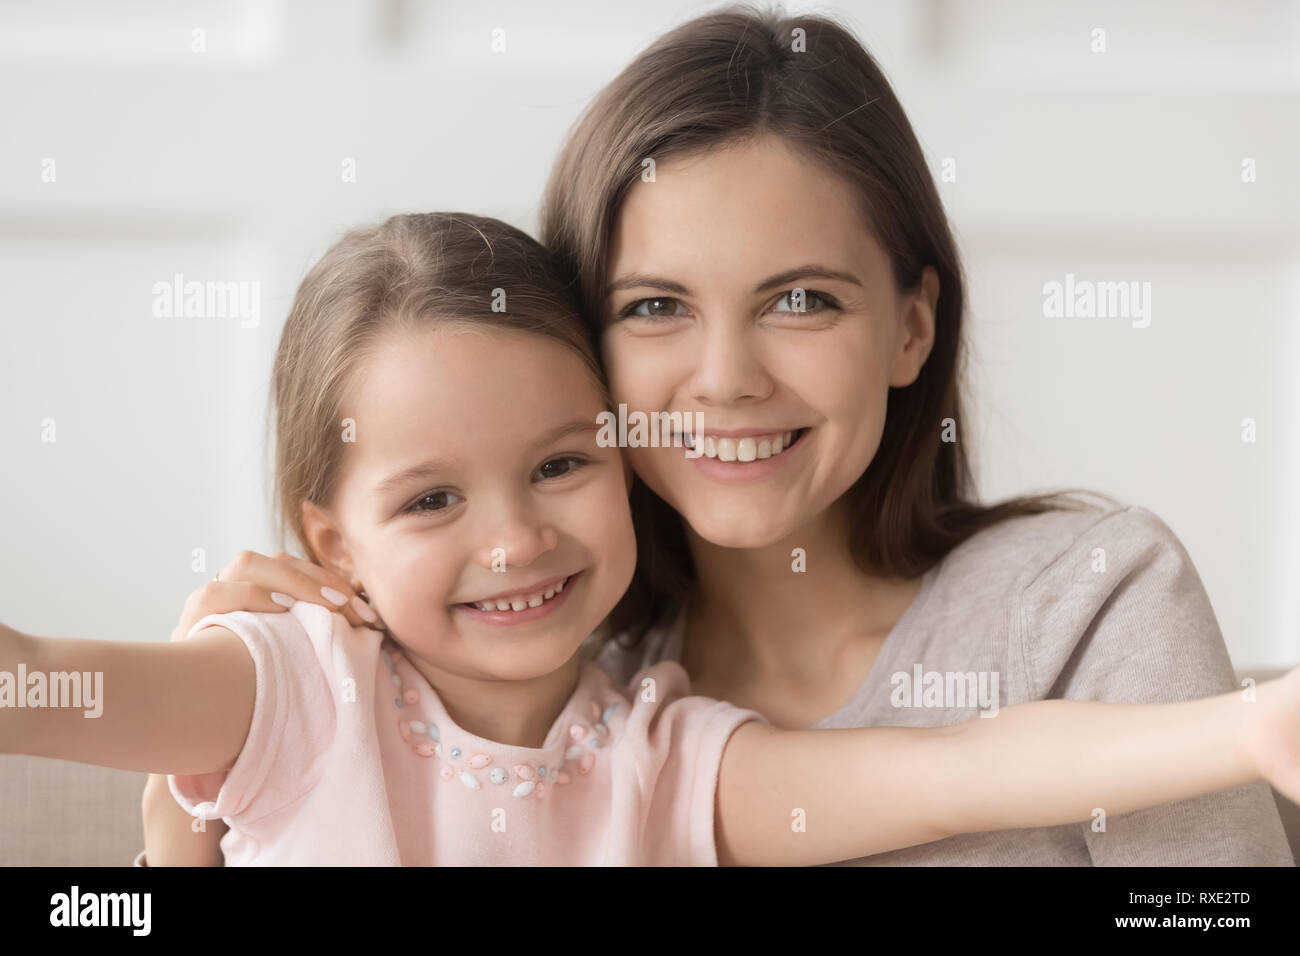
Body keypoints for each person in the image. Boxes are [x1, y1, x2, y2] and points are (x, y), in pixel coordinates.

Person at [138, 7, 1294, 864]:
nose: (727, 379)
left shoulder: (1082, 597)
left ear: (909, 327)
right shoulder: (545, 678)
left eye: (801, 300)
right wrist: (199, 764)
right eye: (653, 307)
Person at [7, 211, 1298, 866]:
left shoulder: (668, 760)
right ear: (328, 542)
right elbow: (35, 683)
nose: (515, 539)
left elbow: (959, 766)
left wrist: (1240, 729)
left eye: (563, 464)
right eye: (431, 500)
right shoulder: (289, 687)